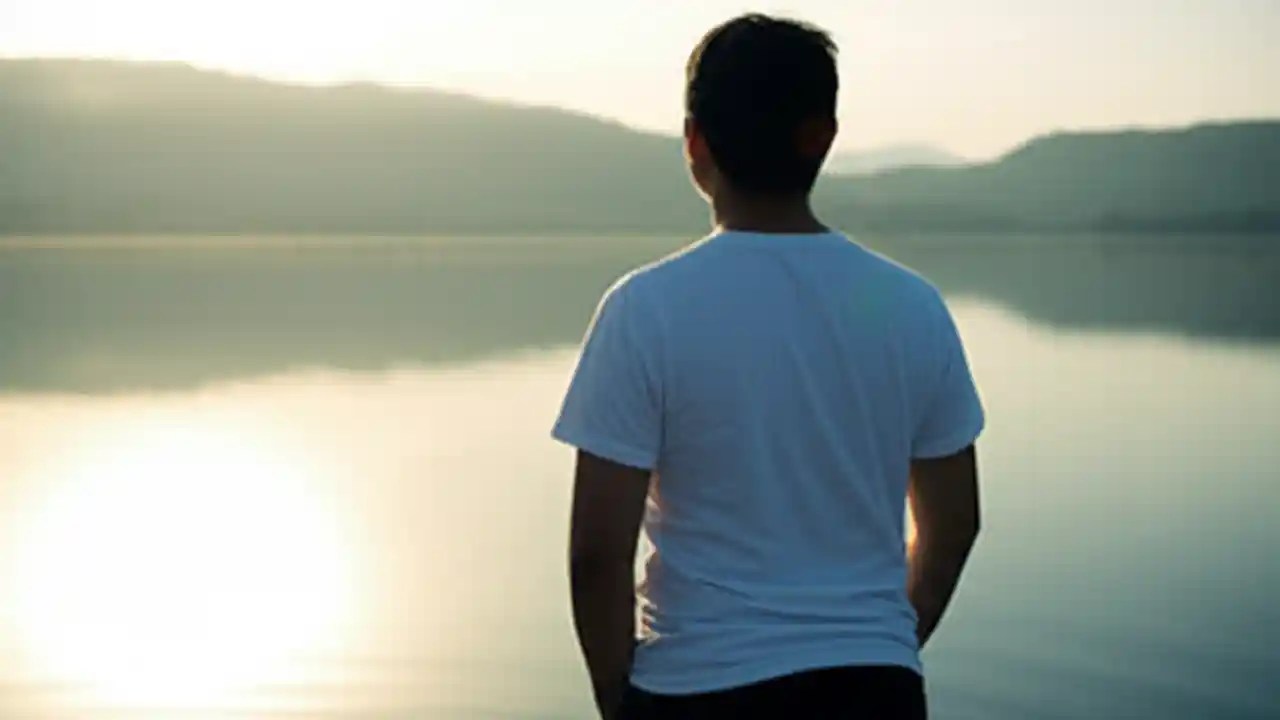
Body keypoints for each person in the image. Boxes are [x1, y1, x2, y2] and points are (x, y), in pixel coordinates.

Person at [553, 13, 984, 720]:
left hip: (696, 688)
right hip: (875, 687)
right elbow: (953, 525)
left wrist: (616, 698)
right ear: (825, 138)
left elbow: (597, 553)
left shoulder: (645, 310)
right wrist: (882, 642)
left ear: (694, 144)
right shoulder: (911, 307)